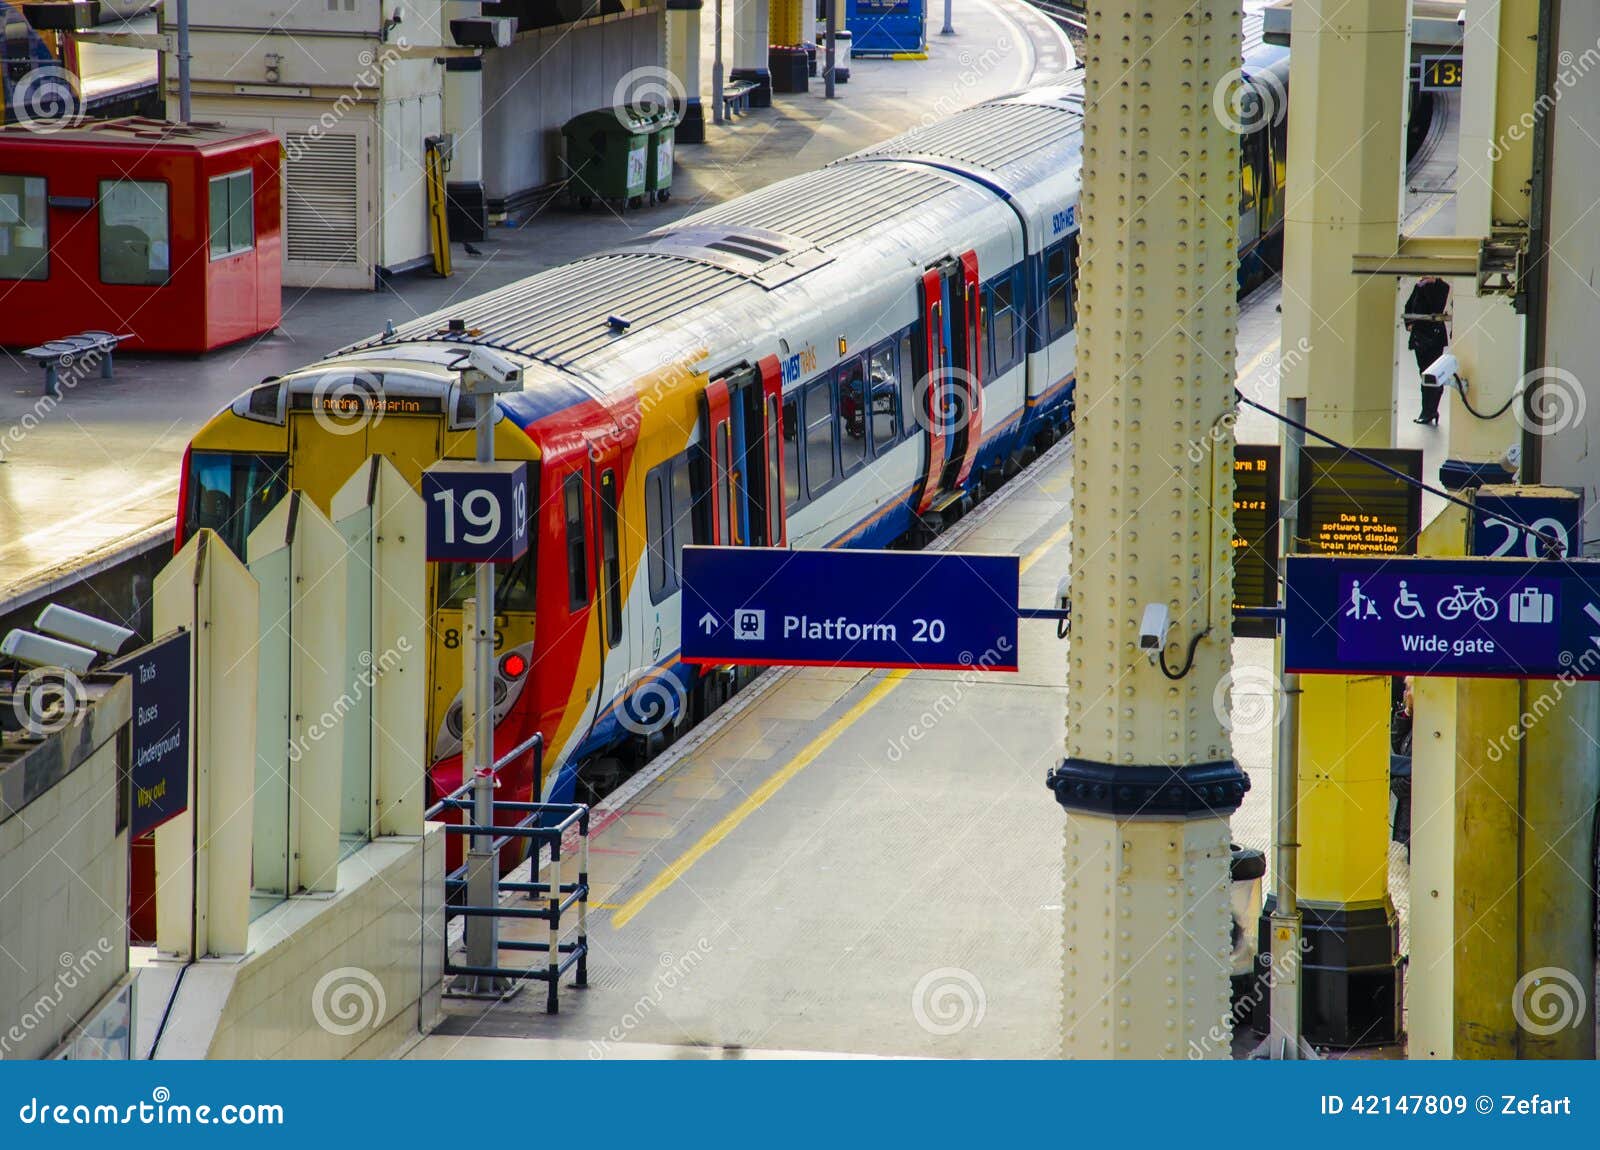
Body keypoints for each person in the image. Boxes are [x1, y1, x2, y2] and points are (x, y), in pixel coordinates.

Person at [1404, 276, 1451, 425]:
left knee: (1432, 375)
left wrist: (1428, 285)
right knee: (1424, 374)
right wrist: (1409, 322)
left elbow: (1436, 304)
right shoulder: (1420, 286)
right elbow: (1409, 305)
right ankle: (1429, 410)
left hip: (1433, 338)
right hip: (1420, 337)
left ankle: (1429, 411)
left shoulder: (1441, 287)